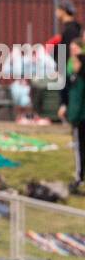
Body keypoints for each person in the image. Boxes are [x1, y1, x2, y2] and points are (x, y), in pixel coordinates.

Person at [57, 39, 85, 194]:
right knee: (79, 147)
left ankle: (79, 178)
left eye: (76, 50)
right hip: (77, 116)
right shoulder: (71, 70)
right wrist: (64, 106)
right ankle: (80, 176)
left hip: (81, 116)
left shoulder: (80, 68)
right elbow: (66, 90)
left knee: (80, 148)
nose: (73, 53)